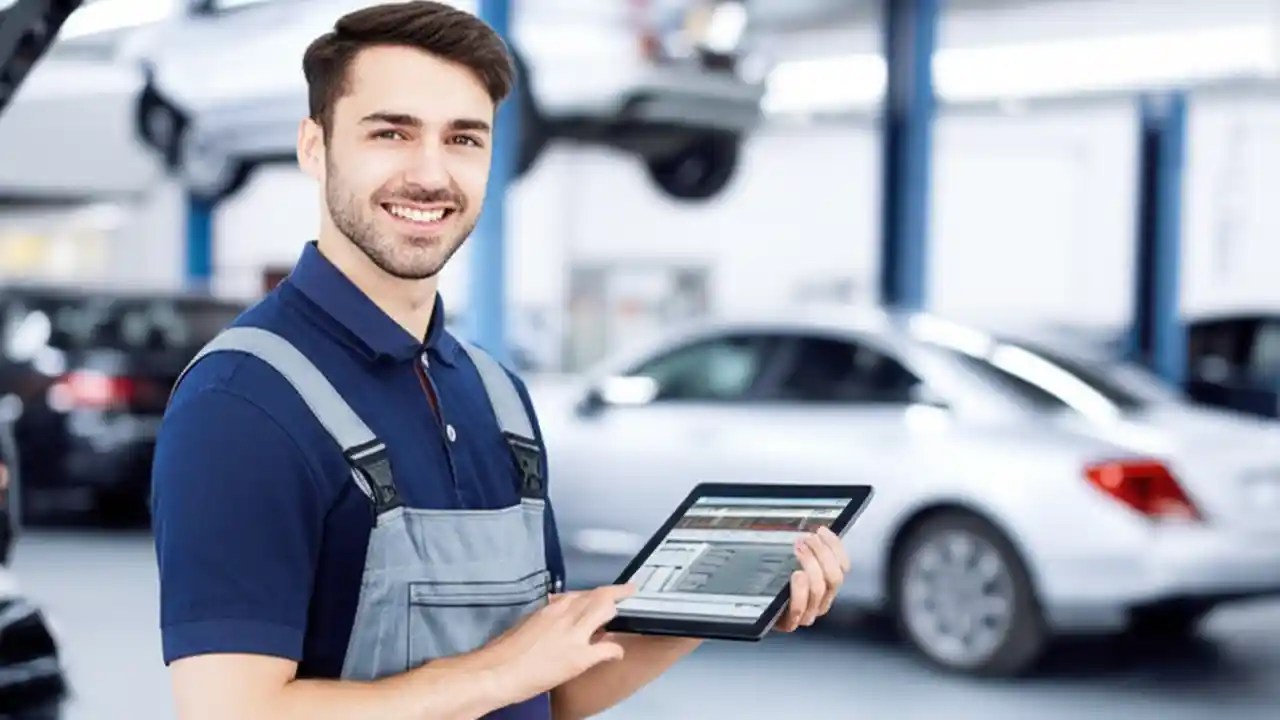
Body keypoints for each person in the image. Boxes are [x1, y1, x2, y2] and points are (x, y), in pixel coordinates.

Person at [150, 2, 851, 719]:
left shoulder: (496, 396)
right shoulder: (241, 403)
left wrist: (723, 605)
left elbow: (549, 692)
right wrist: (498, 671)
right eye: (391, 132)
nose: (430, 174)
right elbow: (231, 711)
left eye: (464, 139)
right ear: (314, 146)